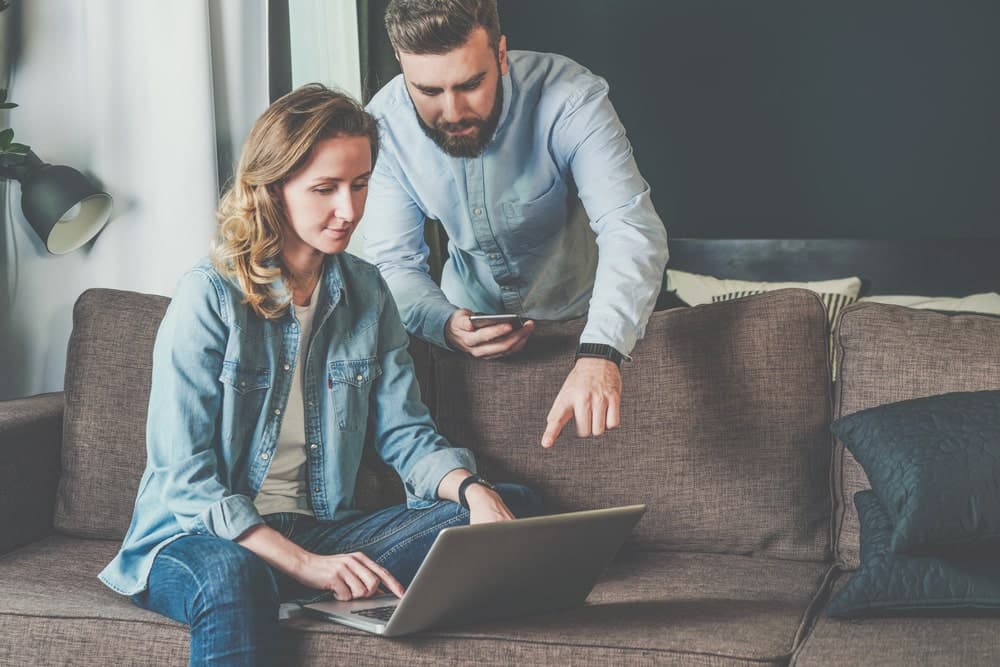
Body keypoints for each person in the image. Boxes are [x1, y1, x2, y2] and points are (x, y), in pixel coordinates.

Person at [98, 84, 540, 666]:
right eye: (325, 188)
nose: (349, 210)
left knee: (508, 510)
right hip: (198, 541)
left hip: (323, 530)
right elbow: (183, 480)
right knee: (236, 575)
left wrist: (469, 490)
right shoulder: (207, 296)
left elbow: (404, 434)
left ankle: (296, 586)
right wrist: (305, 565)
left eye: (360, 184)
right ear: (272, 188)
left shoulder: (367, 291)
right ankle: (286, 583)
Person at [363, 0, 670, 449]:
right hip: (467, 344)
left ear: (501, 55)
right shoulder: (384, 124)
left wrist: (601, 350)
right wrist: (445, 324)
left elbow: (629, 226)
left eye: (470, 84)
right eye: (427, 91)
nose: (451, 111)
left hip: (590, 324)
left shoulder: (569, 96)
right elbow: (391, 263)